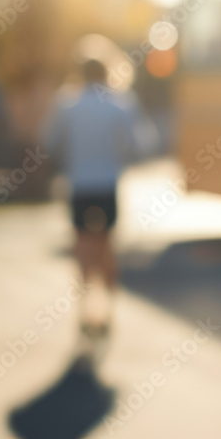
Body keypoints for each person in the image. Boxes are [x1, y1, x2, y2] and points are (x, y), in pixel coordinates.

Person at [41, 56, 156, 364]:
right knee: (105, 245)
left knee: (82, 246)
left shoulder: (67, 104)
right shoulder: (120, 103)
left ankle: (84, 311)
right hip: (107, 184)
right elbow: (140, 143)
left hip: (79, 185)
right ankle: (106, 311)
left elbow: (49, 141)